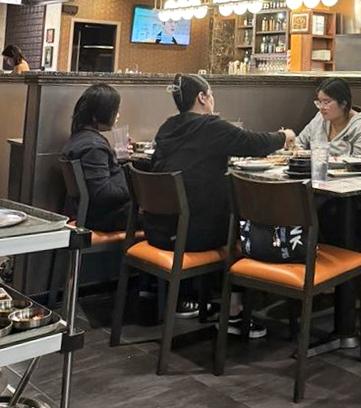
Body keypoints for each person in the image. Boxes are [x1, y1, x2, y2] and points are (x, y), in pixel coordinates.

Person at [147, 73, 296, 333]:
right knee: (246, 229)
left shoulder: (167, 127)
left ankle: (205, 298)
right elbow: (253, 142)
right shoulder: (210, 127)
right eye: (211, 94)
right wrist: (285, 136)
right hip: (189, 236)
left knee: (221, 214)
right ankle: (235, 313)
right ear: (202, 97)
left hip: (157, 230)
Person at [61, 83, 130, 232]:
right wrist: (134, 189)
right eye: (114, 111)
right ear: (100, 113)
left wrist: (117, 159)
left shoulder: (79, 137)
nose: (117, 116)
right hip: (101, 218)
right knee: (160, 217)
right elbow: (102, 193)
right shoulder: (94, 146)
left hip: (85, 212)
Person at [297, 77, 361, 156]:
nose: (322, 107)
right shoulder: (320, 118)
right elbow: (298, 143)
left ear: (343, 103)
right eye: (320, 102)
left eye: (327, 102)